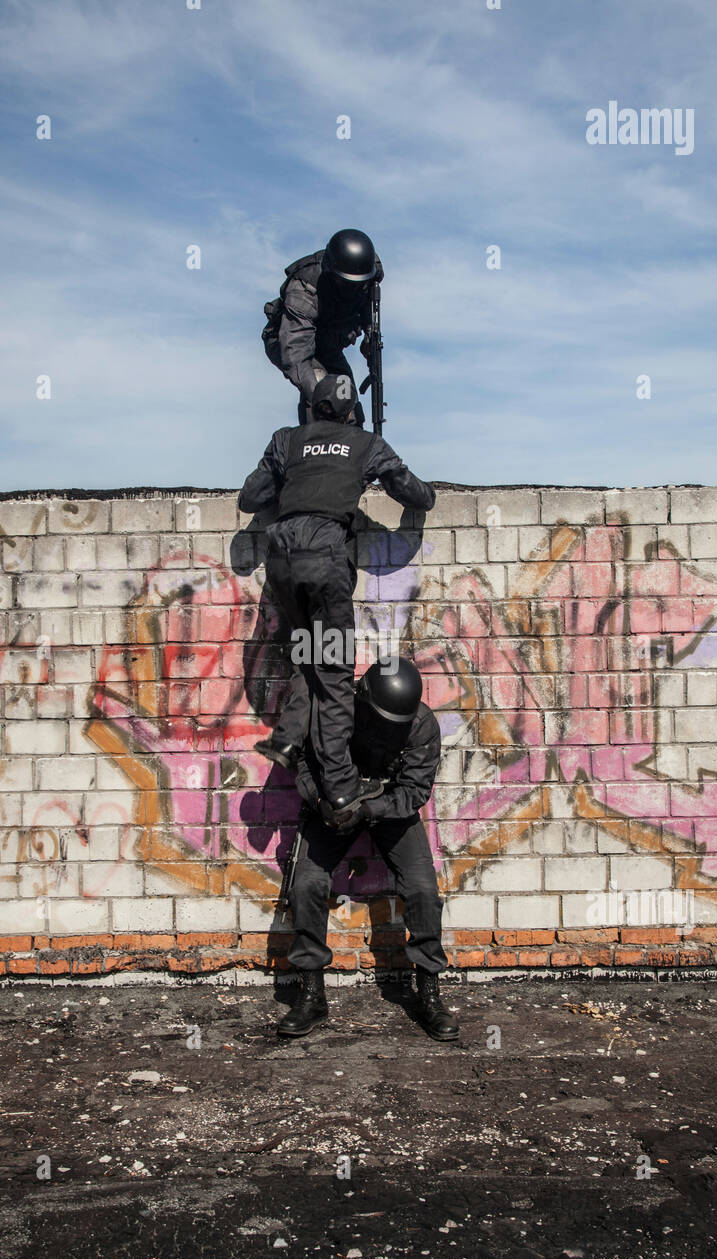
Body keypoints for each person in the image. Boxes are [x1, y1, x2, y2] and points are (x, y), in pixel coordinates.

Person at [238, 373, 436, 823]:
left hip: (282, 563)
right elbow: (409, 489)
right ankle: (342, 785)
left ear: (311, 408)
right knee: (335, 676)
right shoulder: (364, 443)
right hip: (324, 564)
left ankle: (288, 738)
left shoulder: (286, 440)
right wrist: (428, 497)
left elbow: (251, 498)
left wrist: (296, 477)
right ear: (351, 414)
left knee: (309, 655)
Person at [277, 658, 460, 1043]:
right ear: (362, 700)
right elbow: (305, 764)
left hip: (390, 810)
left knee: (423, 889)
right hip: (332, 806)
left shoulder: (421, 725)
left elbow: (415, 791)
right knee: (306, 884)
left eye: (396, 723)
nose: (388, 729)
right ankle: (311, 995)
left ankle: (429, 993)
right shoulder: (333, 712)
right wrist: (322, 804)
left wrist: (370, 809)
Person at [262, 229, 382, 425]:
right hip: (291, 340)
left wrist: (370, 330)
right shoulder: (304, 290)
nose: (353, 289)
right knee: (326, 401)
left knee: (348, 404)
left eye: (358, 284)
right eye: (347, 284)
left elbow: (368, 299)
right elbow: (296, 356)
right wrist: (324, 404)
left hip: (327, 343)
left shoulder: (369, 270)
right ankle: (315, 438)